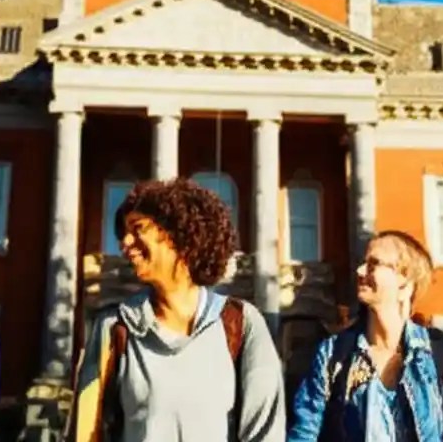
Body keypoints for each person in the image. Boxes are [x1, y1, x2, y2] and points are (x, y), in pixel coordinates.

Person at [66, 177, 286, 442]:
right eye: (123, 233)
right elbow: (86, 431)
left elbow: (265, 433)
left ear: (179, 234)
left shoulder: (242, 324)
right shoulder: (113, 328)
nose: (125, 242)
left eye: (138, 228)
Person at [288, 230, 443, 442]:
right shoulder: (333, 355)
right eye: (363, 262)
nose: (360, 271)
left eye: (373, 264)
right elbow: (303, 433)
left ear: (405, 283)